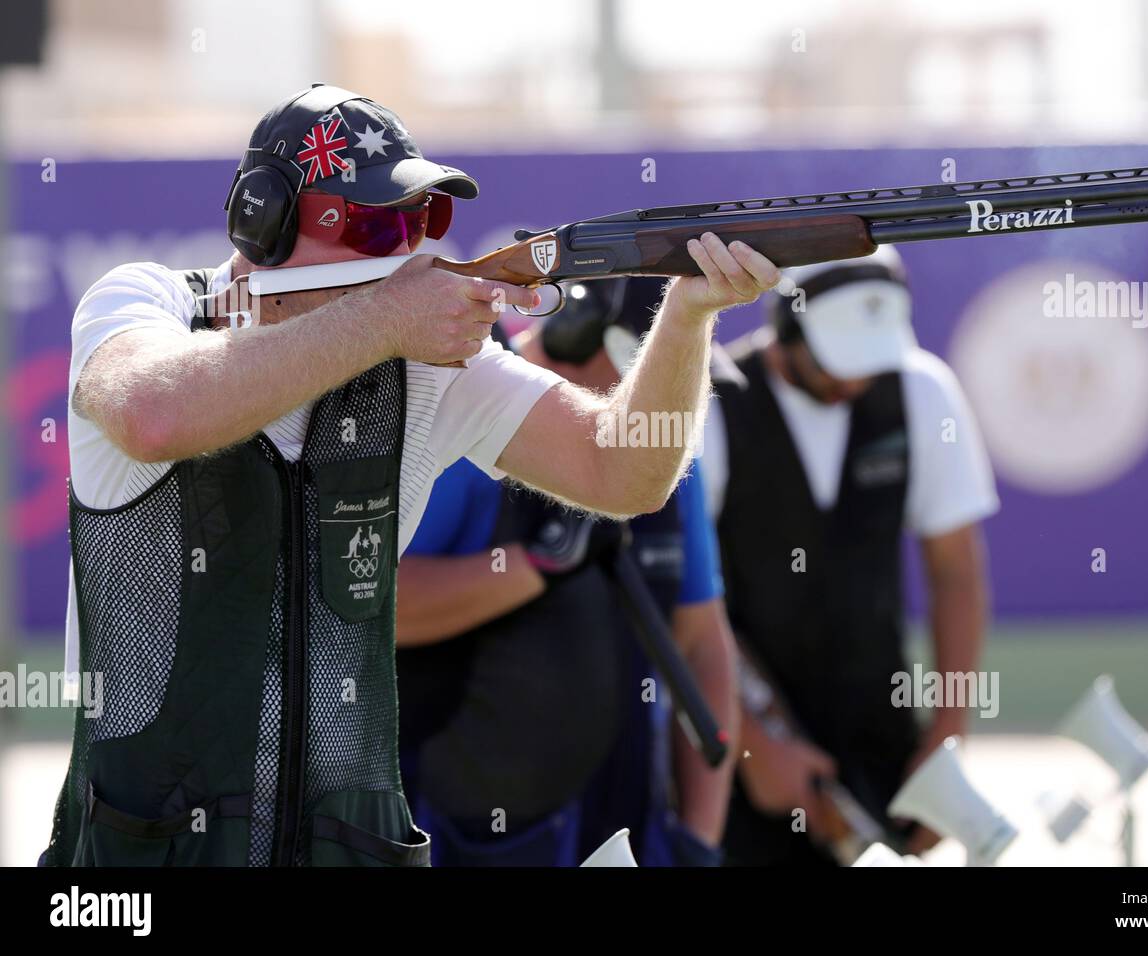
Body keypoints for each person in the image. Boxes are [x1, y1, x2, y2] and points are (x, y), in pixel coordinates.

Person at [42, 83, 778, 867]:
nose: (410, 249)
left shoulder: (423, 368)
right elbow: (155, 417)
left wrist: (689, 315)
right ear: (266, 220)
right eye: (379, 224)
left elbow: (624, 471)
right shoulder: (143, 304)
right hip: (143, 857)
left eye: (423, 219)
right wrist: (385, 318)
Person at [395, 277, 738, 866]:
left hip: (626, 830)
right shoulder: (467, 427)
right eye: (649, 366)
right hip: (462, 835)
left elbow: (702, 639)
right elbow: (377, 609)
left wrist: (700, 838)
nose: (660, 392)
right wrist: (535, 567)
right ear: (571, 336)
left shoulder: (662, 451)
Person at [701, 246, 999, 866]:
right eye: (839, 359)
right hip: (735, 755)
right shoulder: (710, 402)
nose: (857, 379)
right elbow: (682, 605)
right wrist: (753, 745)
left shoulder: (921, 390)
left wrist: (946, 736)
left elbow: (957, 574)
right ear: (785, 325)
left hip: (881, 736)